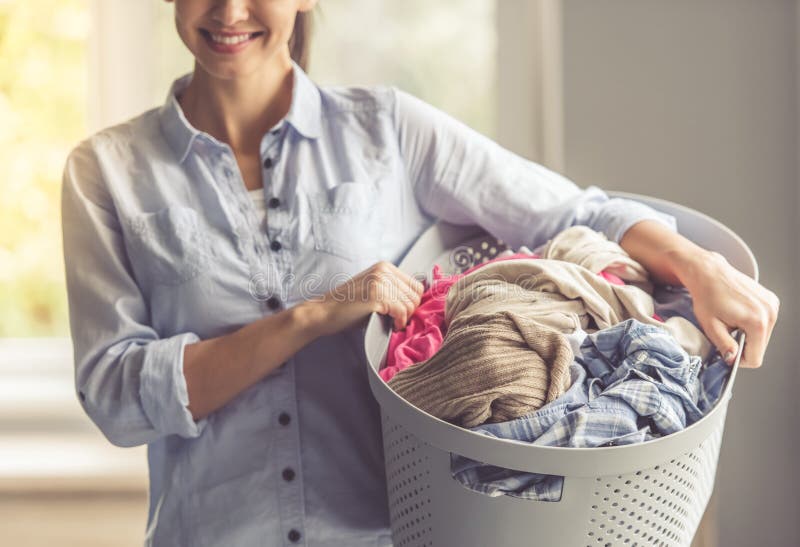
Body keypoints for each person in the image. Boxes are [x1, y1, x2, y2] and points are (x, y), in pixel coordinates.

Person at [60, 1, 778, 545]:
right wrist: (312, 315)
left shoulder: (389, 132)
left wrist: (701, 264)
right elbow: (118, 395)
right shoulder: (105, 175)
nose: (228, 10)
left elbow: (565, 210)